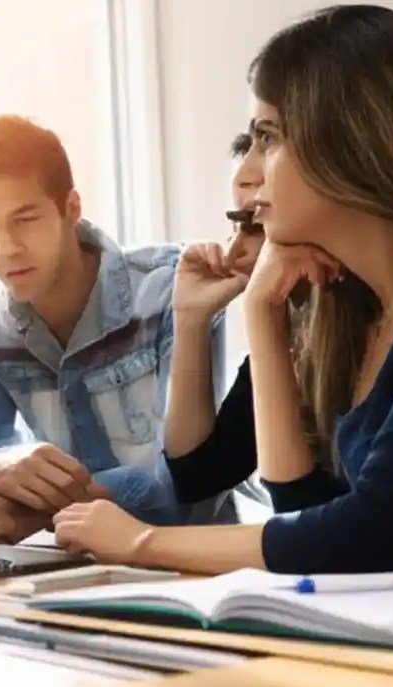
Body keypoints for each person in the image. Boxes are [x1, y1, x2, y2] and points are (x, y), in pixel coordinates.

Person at [53, 4, 393, 576]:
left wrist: (143, 543)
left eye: (268, 138)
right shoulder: (348, 302)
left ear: (354, 137)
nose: (247, 172)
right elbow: (308, 518)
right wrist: (260, 313)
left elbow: (380, 531)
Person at [0, 115, 232, 544]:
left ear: (72, 208)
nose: (6, 248)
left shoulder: (174, 289)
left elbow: (187, 488)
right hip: (69, 565)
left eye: (25, 219)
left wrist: (35, 511)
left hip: (190, 561)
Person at [162, 131, 348, 511]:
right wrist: (191, 319)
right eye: (235, 226)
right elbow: (197, 477)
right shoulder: (297, 336)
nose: (233, 252)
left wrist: (260, 311)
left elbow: (305, 512)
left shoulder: (376, 332)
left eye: (254, 222)